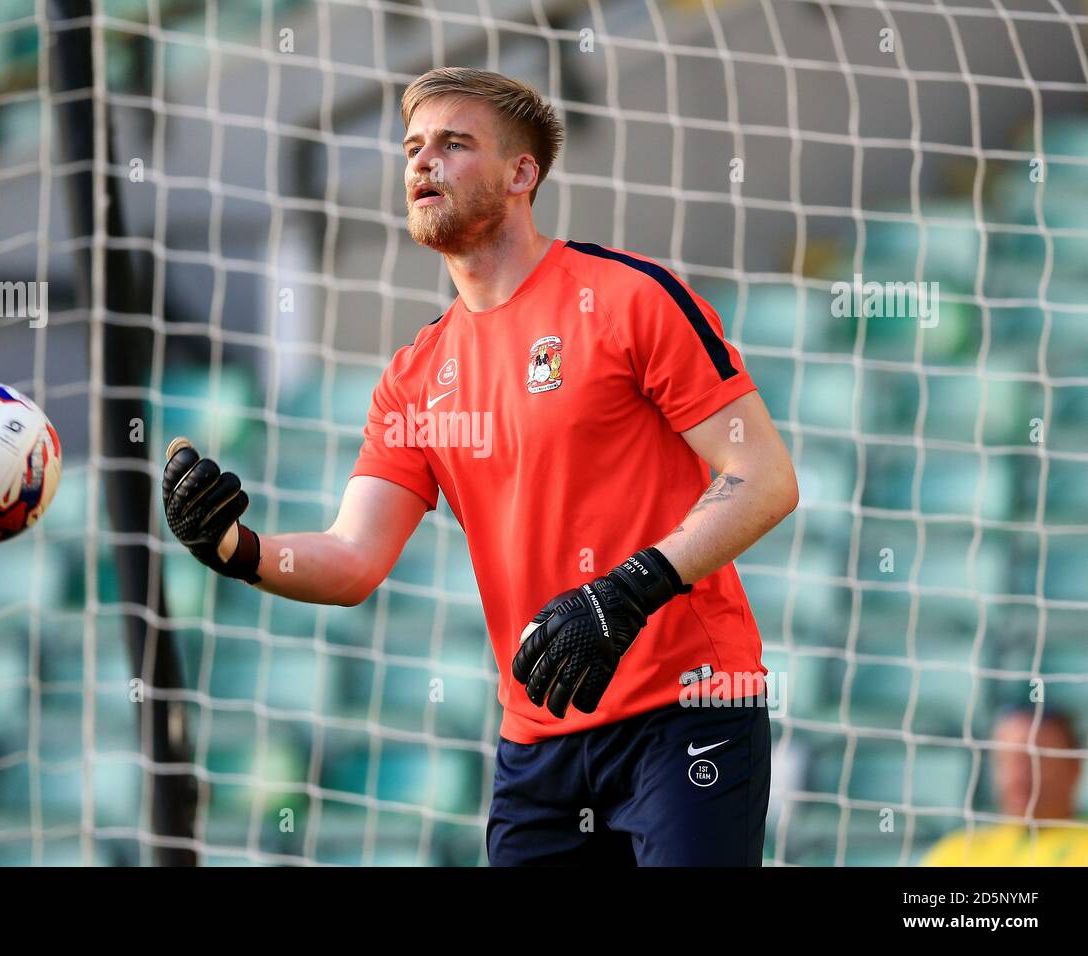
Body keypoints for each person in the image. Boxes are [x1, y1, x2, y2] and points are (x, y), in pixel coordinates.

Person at [162, 68, 799, 865]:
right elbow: (355, 558)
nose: (422, 164)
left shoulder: (630, 297)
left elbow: (764, 478)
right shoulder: (415, 374)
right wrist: (234, 548)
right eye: (412, 148)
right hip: (539, 746)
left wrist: (624, 593)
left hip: (690, 712)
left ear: (521, 173)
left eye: (453, 145)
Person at [921, 707, 1088, 866]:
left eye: (1034, 758)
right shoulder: (957, 849)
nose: (1018, 772)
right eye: (1005, 759)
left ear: (1074, 765)